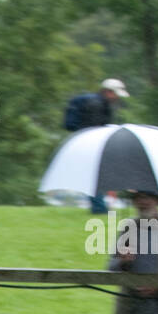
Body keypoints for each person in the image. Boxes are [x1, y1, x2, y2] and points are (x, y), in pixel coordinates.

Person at [64, 78, 128, 214]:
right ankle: (99, 208)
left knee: (95, 175)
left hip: (85, 142)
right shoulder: (96, 105)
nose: (117, 98)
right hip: (90, 144)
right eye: (116, 94)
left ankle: (99, 206)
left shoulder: (100, 103)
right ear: (108, 92)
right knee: (95, 175)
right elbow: (96, 129)